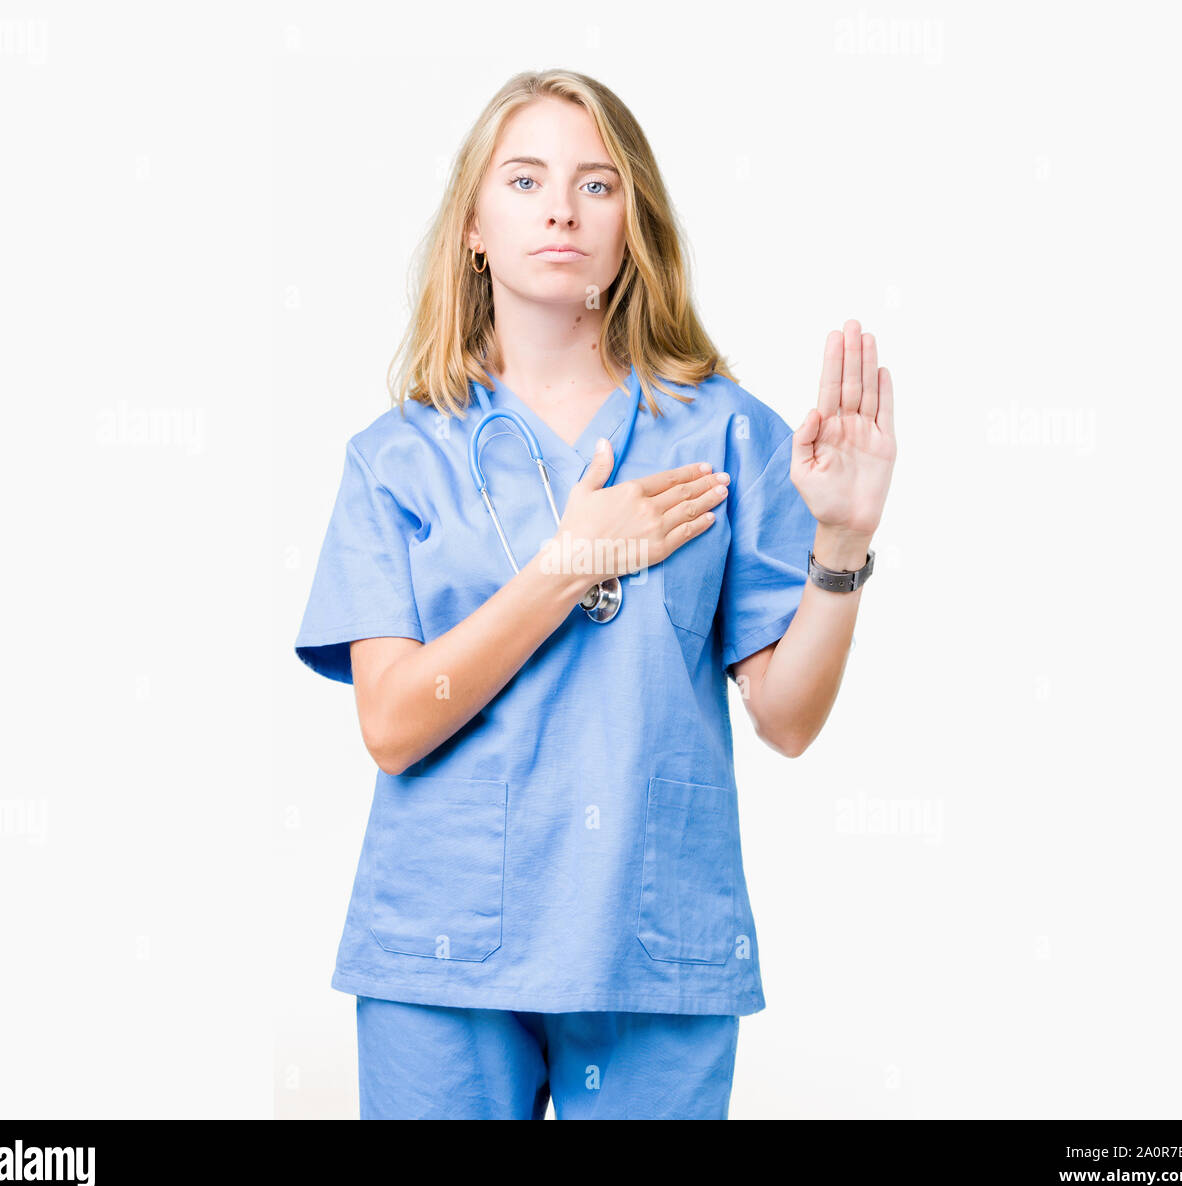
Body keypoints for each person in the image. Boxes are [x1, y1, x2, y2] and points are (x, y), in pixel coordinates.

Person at [293, 68, 897, 1120]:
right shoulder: (396, 458)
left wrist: (840, 543)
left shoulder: (725, 435)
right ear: (474, 225)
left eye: (597, 184)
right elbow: (392, 725)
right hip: (444, 953)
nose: (561, 208)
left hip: (650, 940)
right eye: (524, 180)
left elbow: (787, 721)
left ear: (635, 224)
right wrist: (570, 565)